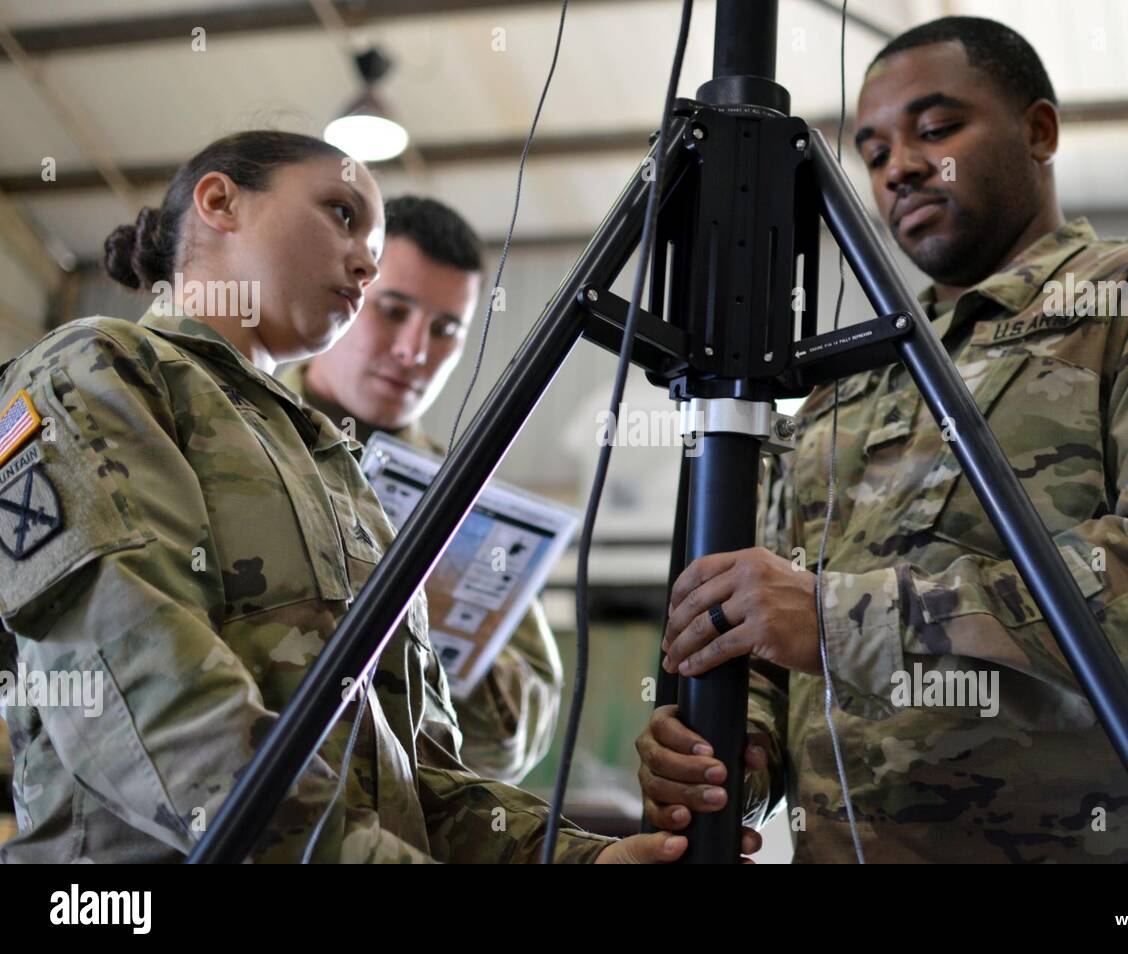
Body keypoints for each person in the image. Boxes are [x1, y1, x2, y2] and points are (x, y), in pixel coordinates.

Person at [636, 16, 1128, 862]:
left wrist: (846, 620)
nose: (901, 166)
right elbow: (770, 633)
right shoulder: (848, 384)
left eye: (937, 129)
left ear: (1038, 130)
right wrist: (734, 746)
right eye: (872, 153)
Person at [0, 129, 716, 864]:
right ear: (220, 202)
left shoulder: (337, 471)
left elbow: (419, 773)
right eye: (342, 213)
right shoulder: (95, 371)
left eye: (374, 241)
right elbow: (141, 688)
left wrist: (582, 858)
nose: (367, 261)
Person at [279, 195, 560, 784]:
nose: (413, 351)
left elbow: (516, 746)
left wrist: (431, 610)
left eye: (445, 330)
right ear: (345, 292)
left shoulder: (467, 498)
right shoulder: (234, 433)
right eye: (393, 310)